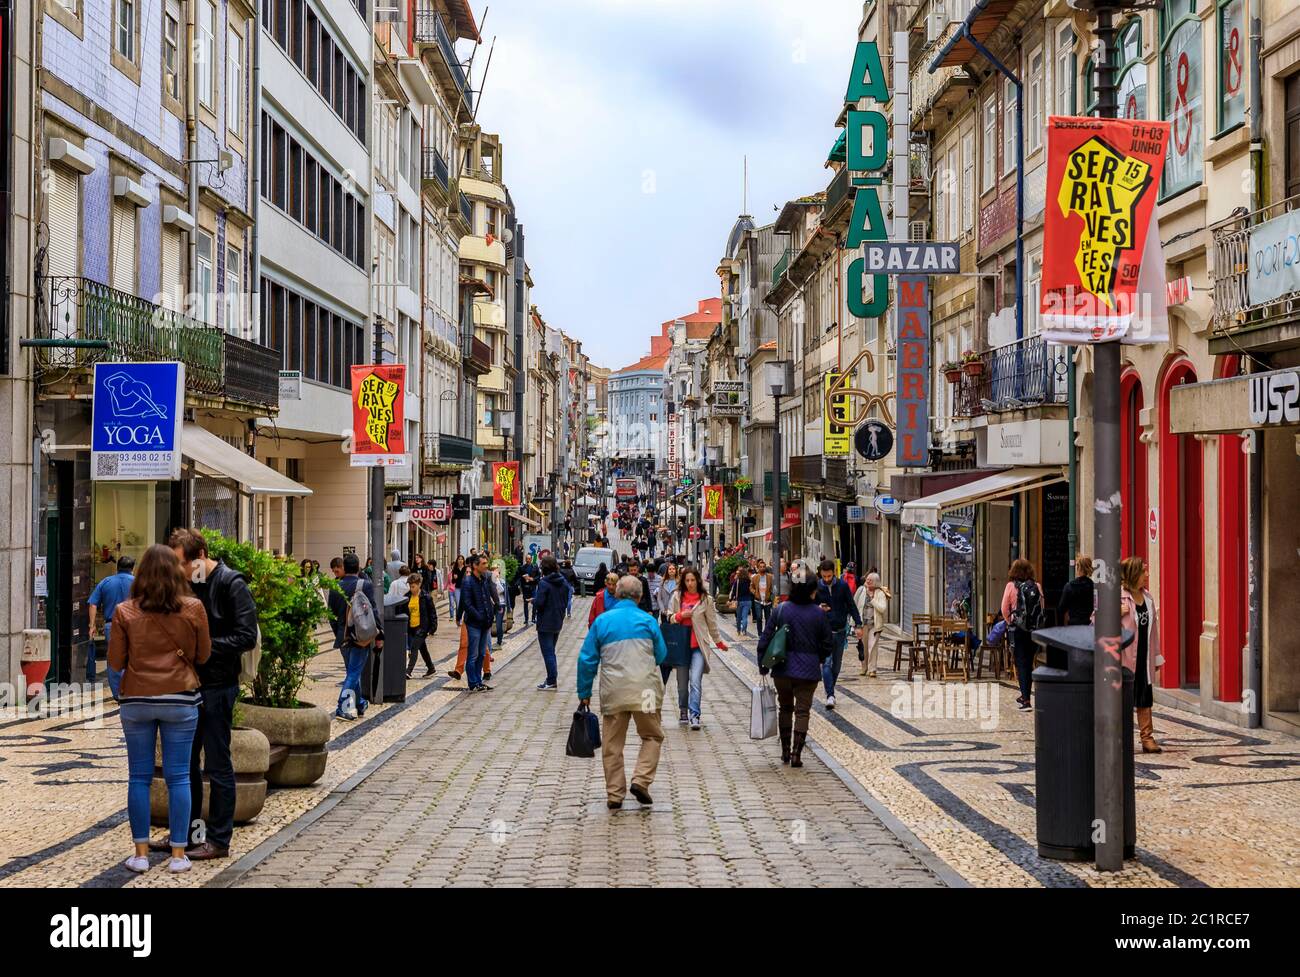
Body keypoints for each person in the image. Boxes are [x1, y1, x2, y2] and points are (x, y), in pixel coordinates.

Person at [110, 545, 210, 875]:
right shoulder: (194, 608)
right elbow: (203, 655)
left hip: (136, 699)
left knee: (139, 777)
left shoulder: (125, 611)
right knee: (179, 775)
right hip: (180, 699)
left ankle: (140, 854)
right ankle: (179, 855)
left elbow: (114, 662)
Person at [168, 528, 258, 861]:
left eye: (182, 563)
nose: (179, 571)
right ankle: (190, 835)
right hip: (187, 685)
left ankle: (219, 840)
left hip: (219, 687)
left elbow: (246, 636)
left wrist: (202, 649)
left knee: (218, 764)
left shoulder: (231, 584)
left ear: (201, 555)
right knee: (186, 765)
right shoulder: (188, 584)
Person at [577, 576, 668, 810]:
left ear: (616, 594)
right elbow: (661, 655)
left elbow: (587, 659)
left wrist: (584, 692)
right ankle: (641, 779)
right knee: (652, 735)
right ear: (639, 597)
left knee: (612, 743)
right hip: (646, 691)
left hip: (614, 690)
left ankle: (615, 794)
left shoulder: (602, 622)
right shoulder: (648, 621)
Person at [757, 559, 833, 768]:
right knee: (802, 711)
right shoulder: (818, 613)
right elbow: (828, 643)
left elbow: (765, 638)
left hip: (782, 669)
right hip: (807, 671)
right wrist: (819, 657)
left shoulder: (781, 610)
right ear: (811, 590)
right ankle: (797, 753)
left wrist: (762, 663)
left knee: (785, 708)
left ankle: (784, 752)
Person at [666, 566, 726, 730]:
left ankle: (695, 715)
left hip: (698, 645)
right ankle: (683, 710)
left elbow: (712, 623)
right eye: (687, 580)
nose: (690, 583)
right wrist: (679, 616)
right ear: (683, 581)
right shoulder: (677, 597)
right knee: (682, 683)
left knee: (695, 681)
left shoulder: (706, 599)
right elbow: (668, 616)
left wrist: (719, 642)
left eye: (693, 580)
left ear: (697, 580)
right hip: (681, 646)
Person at [327, 552, 384, 720]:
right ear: (358, 567)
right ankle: (342, 707)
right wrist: (380, 635)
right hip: (360, 637)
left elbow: (331, 615)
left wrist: (338, 632)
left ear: (344, 567)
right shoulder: (364, 584)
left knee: (352, 671)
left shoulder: (335, 586)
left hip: (342, 637)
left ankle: (359, 704)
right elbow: (372, 612)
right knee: (353, 673)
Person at [1119, 556, 1164, 754]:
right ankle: (1122, 738)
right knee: (1124, 699)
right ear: (1133, 574)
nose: (1147, 574)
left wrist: (1156, 656)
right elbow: (1096, 623)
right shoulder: (1117, 598)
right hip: (1125, 658)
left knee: (1144, 696)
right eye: (1143, 571)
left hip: (1144, 656)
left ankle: (1147, 737)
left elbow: (1153, 631)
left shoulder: (1148, 597)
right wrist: (1115, 614)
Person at [815, 559, 862, 710]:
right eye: (824, 577)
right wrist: (818, 608)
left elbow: (851, 605)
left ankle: (830, 690)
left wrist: (858, 624)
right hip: (824, 631)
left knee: (836, 666)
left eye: (829, 576)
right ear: (821, 574)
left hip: (841, 630)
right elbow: (809, 606)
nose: (827, 579)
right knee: (826, 663)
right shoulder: (817, 587)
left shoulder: (842, 586)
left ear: (834, 573)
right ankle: (830, 695)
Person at [1001, 558, 1044, 712]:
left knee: (1021, 663)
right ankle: (1024, 695)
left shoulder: (1011, 586)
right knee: (1029, 663)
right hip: (1032, 630)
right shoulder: (1036, 586)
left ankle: (1025, 699)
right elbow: (1042, 608)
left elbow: (1004, 609)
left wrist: (1010, 622)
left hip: (1018, 630)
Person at [88, 555, 135, 689]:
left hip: (111, 625)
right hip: (133, 625)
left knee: (114, 658)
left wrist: (92, 625)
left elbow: (92, 604)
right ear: (132, 568)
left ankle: (117, 692)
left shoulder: (106, 582)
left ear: (117, 567)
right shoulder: (138, 582)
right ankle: (129, 689)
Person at [531, 555, 571, 690]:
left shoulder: (544, 583)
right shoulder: (563, 582)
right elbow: (566, 600)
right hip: (557, 621)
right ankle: (551, 678)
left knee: (548, 653)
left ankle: (551, 680)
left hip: (545, 622)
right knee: (551, 651)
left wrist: (534, 601)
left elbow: (540, 603)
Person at [458, 554, 495, 692]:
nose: (486, 566)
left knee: (481, 654)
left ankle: (478, 681)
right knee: (472, 655)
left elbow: (487, 598)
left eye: (486, 563)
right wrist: (479, 616)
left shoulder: (484, 579)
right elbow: (466, 604)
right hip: (474, 623)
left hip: (485, 623)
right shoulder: (468, 582)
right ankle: (472, 683)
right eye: (484, 563)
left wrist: (490, 616)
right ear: (475, 565)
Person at [854, 572, 890, 678]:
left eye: (870, 580)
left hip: (875, 625)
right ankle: (864, 667)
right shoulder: (861, 590)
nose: (868, 581)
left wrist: (873, 600)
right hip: (862, 624)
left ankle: (872, 669)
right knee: (863, 647)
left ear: (876, 582)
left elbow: (882, 609)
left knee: (872, 647)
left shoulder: (880, 593)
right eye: (867, 579)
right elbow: (854, 605)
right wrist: (854, 623)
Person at [405, 573, 438, 679]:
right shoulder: (407, 596)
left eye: (413, 586)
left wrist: (432, 628)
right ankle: (431, 668)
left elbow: (432, 613)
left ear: (419, 584)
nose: (411, 588)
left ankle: (408, 671)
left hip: (422, 627)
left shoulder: (426, 597)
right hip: (412, 627)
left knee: (414, 647)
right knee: (423, 648)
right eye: (410, 586)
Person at [1060, 555, 1096, 626]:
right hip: (1089, 625)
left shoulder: (1069, 586)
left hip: (1073, 624)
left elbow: (1061, 608)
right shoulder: (1093, 586)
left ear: (1078, 567)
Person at [751, 559, 774, 636]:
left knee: (768, 618)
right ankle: (760, 633)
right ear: (758, 568)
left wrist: (771, 594)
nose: (762, 568)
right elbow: (751, 587)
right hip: (758, 600)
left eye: (764, 567)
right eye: (760, 567)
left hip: (767, 601)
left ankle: (767, 633)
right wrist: (754, 592)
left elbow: (773, 587)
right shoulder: (755, 577)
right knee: (759, 617)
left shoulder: (770, 577)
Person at [731, 566, 754, 636]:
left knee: (738, 617)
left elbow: (734, 591)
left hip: (739, 601)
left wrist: (731, 599)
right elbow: (751, 590)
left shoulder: (737, 581)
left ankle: (738, 630)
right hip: (748, 601)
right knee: (745, 617)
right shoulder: (749, 581)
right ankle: (744, 630)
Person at [519, 554, 540, 626]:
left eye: (529, 559)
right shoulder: (522, 567)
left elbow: (538, 576)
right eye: (526, 559)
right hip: (525, 587)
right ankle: (526, 619)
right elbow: (520, 578)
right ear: (525, 559)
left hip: (533, 587)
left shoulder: (535, 567)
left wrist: (533, 579)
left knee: (534, 602)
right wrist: (523, 578)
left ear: (531, 559)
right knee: (525, 603)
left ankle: (533, 618)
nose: (528, 560)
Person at [491, 565, 509, 650]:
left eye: (496, 571)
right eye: (493, 571)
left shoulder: (502, 581)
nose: (495, 572)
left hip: (500, 604)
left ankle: (499, 642)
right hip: (491, 604)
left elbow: (502, 591)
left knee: (498, 624)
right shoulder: (489, 581)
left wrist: (509, 607)